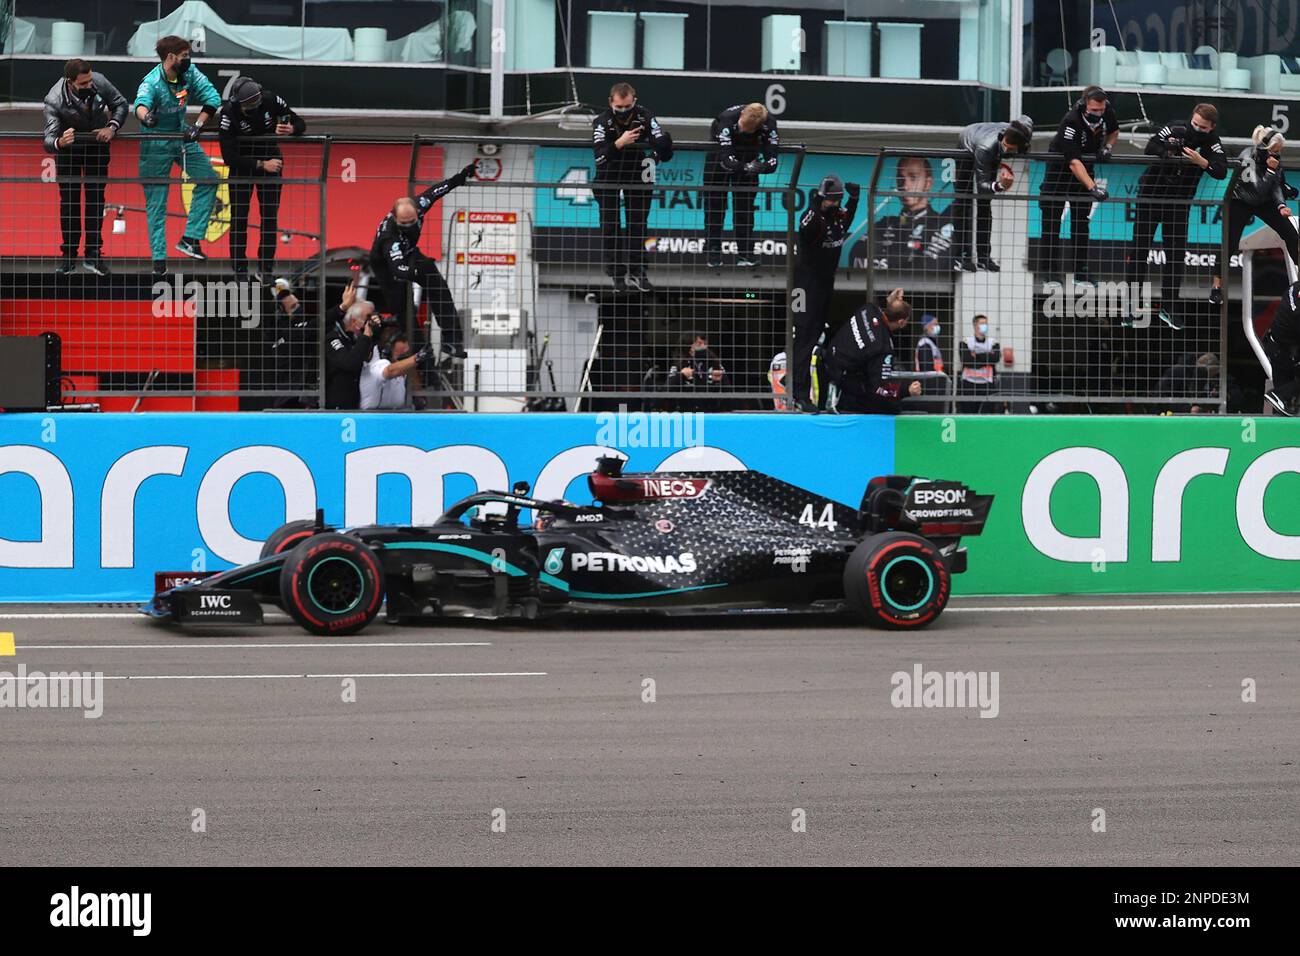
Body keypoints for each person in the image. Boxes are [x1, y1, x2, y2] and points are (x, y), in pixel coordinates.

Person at [1125, 104, 1227, 330]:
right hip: (1150, 197)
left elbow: (1221, 170)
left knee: (1175, 256)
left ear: (1211, 128)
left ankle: (1169, 307)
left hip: (1179, 203)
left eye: (1203, 128)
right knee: (1139, 252)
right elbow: (1150, 147)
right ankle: (1131, 306)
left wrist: (1201, 161)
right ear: (1191, 118)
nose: (1197, 129)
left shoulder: (1212, 141)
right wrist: (1168, 151)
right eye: (1195, 124)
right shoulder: (1175, 127)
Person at [133, 35, 222, 278]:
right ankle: (159, 261)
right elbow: (139, 105)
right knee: (157, 203)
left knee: (209, 179)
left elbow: (212, 98)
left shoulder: (190, 72)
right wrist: (146, 117)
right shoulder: (151, 82)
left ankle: (190, 238)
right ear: (171, 56)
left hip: (182, 136)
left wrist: (198, 125)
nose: (188, 59)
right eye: (184, 56)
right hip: (155, 143)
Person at [370, 162, 477, 353]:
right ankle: (424, 361)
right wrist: (417, 272)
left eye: (413, 221)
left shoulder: (419, 204)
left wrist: (461, 177)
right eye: (404, 224)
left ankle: (451, 339)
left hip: (410, 253)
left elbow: (438, 190)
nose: (410, 226)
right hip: (389, 268)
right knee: (405, 314)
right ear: (395, 219)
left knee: (437, 282)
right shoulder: (389, 237)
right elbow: (398, 270)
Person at [43, 58, 128, 277]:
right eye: (83, 83)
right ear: (70, 82)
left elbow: (121, 104)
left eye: (90, 80)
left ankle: (93, 255)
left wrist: (112, 127)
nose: (89, 85)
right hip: (69, 151)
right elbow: (48, 140)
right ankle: (68, 257)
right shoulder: (55, 99)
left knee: (95, 200)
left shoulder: (98, 80)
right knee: (70, 203)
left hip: (97, 146)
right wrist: (60, 142)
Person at [218, 76, 306, 282]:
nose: (255, 107)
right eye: (250, 106)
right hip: (243, 166)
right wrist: (260, 164)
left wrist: (292, 129)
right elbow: (228, 157)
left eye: (257, 103)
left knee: (269, 218)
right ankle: (239, 268)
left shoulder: (271, 99)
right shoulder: (228, 113)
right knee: (239, 218)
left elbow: (300, 122)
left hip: (271, 162)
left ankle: (266, 268)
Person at [592, 82, 673, 293]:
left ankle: (638, 272)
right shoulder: (601, 122)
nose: (623, 111)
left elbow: (661, 144)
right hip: (608, 175)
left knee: (638, 225)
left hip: (639, 174)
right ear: (611, 103)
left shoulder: (645, 116)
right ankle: (617, 275)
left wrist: (661, 146)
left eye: (627, 107)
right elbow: (600, 156)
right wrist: (620, 142)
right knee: (611, 226)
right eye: (619, 107)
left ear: (634, 101)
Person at [791, 174, 859, 410]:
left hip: (825, 284)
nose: (835, 204)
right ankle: (799, 395)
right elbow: (807, 226)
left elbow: (846, 220)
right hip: (804, 286)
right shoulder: (813, 219)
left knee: (817, 337)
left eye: (837, 200)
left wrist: (854, 199)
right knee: (802, 339)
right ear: (822, 198)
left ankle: (813, 395)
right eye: (831, 200)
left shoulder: (837, 218)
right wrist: (818, 204)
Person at [1213, 126, 1300, 308]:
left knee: (1291, 233)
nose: (1277, 155)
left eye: (1279, 152)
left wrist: (1282, 205)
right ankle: (1216, 286)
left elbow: (1275, 186)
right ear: (1264, 149)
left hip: (1265, 199)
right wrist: (1270, 171)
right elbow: (1258, 190)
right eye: (1275, 151)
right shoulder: (1247, 157)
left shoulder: (1274, 159)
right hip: (1241, 200)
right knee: (1229, 243)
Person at [1038, 86, 1118, 281]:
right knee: (1051, 223)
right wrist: (1093, 188)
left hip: (1086, 167)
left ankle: (1081, 270)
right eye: (1094, 111)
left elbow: (1114, 131)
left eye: (1101, 110)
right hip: (1059, 171)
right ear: (1084, 106)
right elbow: (1073, 162)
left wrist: (1107, 147)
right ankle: (1049, 271)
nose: (1098, 113)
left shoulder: (1107, 112)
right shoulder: (1071, 121)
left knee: (1081, 223)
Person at [824, 287, 924, 415]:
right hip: (843, 377)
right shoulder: (882, 347)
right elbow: (880, 388)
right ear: (901, 322)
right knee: (892, 406)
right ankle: (841, 397)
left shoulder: (868, 309)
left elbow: (881, 307)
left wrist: (890, 300)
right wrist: (907, 390)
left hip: (831, 356)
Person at [952, 116, 1033, 272]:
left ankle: (984, 257)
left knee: (985, 204)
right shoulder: (986, 148)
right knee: (963, 200)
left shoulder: (1023, 137)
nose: (1007, 151)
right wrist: (1000, 185)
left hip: (990, 145)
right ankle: (962, 255)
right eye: (1006, 147)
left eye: (1011, 150)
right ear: (1003, 139)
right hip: (968, 142)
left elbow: (1026, 119)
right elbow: (982, 186)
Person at [704, 102, 780, 267]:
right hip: (719, 158)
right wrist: (745, 167)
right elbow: (726, 159)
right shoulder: (725, 120)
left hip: (748, 157)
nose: (741, 128)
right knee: (714, 208)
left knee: (744, 209)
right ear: (742, 114)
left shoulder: (769, 125)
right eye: (741, 125)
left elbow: (773, 162)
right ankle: (713, 255)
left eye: (745, 129)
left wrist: (760, 167)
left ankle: (745, 255)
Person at [852, 157, 954, 272]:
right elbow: (857, 255)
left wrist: (886, 261)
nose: (905, 186)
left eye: (913, 178)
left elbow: (926, 268)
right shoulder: (885, 223)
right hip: (881, 289)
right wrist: (905, 260)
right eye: (901, 178)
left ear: (928, 183)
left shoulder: (941, 225)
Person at [324, 300, 378, 409]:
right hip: (335, 408)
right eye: (367, 318)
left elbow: (369, 358)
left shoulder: (355, 339)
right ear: (354, 321)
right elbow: (349, 363)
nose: (370, 322)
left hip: (356, 405)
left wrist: (373, 335)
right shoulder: (333, 338)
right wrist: (366, 336)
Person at [360, 331, 431, 410]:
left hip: (392, 416)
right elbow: (390, 371)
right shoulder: (377, 366)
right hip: (370, 417)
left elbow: (420, 400)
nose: (405, 361)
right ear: (387, 353)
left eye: (407, 356)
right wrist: (416, 358)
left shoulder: (404, 374)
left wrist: (412, 370)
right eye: (401, 357)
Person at [1261, 279, 1300, 416]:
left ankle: (1282, 397)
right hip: (1285, 353)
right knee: (1281, 399)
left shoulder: (1295, 287)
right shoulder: (1296, 296)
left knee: (1282, 407)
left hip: (1277, 347)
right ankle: (1280, 395)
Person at [959, 315, 1001, 412]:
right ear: (975, 325)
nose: (984, 325)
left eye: (986, 323)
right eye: (982, 323)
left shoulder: (993, 342)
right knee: (968, 415)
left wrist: (976, 355)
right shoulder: (966, 342)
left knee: (986, 414)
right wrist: (986, 357)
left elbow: (995, 358)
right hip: (969, 384)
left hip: (986, 384)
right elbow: (966, 359)